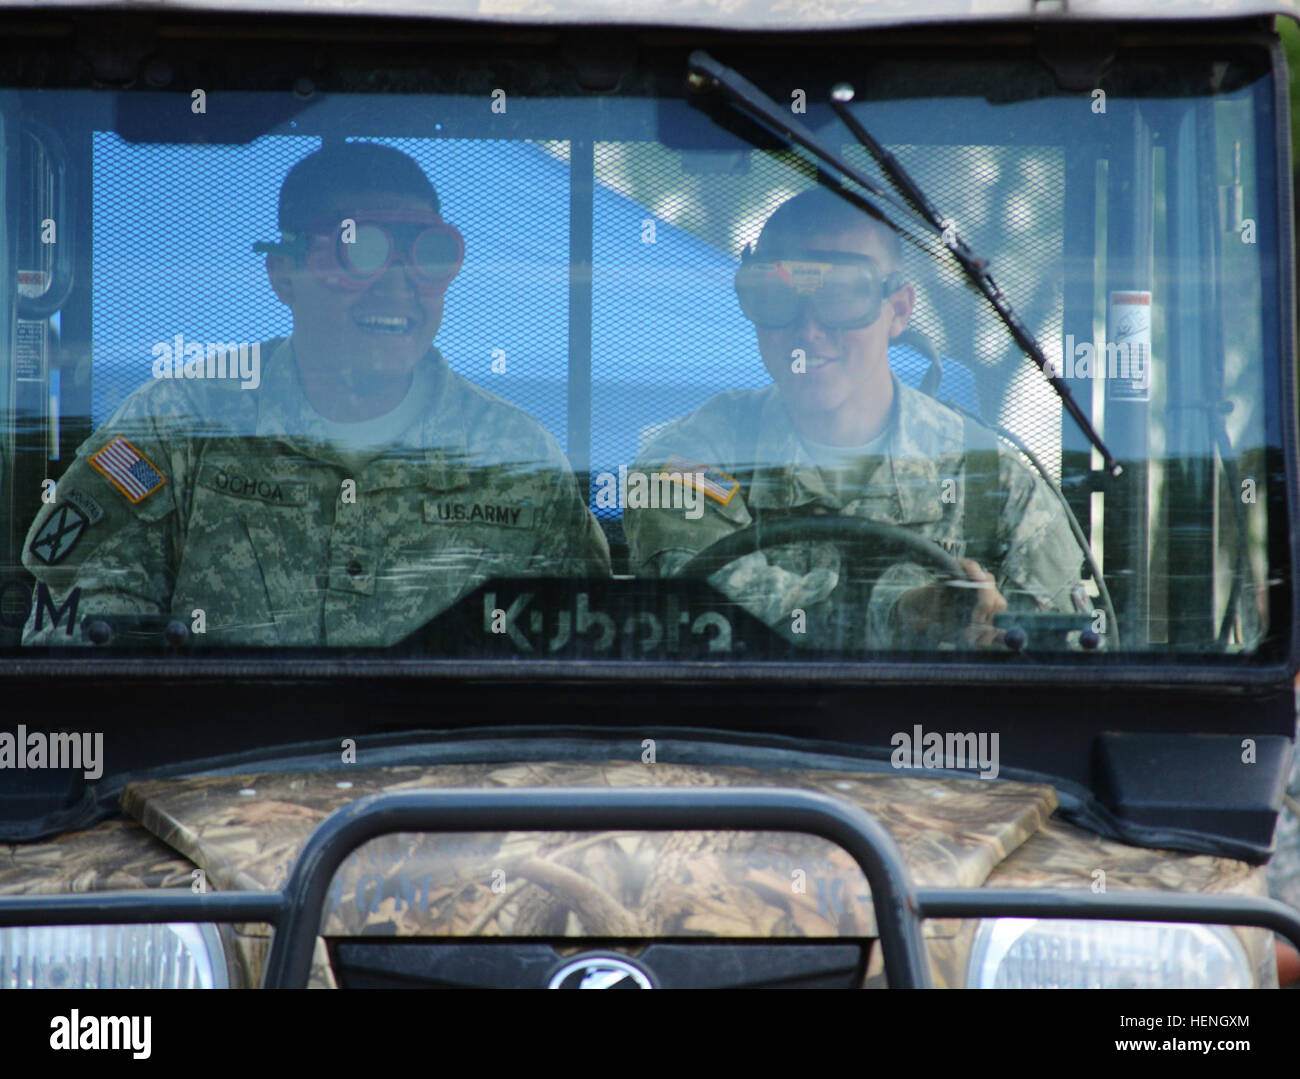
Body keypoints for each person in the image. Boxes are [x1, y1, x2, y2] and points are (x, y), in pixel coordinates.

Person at [21, 142, 608, 646]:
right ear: (284, 274)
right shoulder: (176, 426)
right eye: (362, 254)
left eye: (428, 257)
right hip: (220, 770)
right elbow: (80, 638)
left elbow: (583, 664)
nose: (398, 289)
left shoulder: (516, 457)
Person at [624, 187, 1090, 651]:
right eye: (778, 295)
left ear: (899, 310)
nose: (808, 330)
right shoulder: (684, 466)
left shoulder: (996, 486)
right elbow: (709, 617)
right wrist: (905, 617)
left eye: (845, 295)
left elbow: (1063, 681)